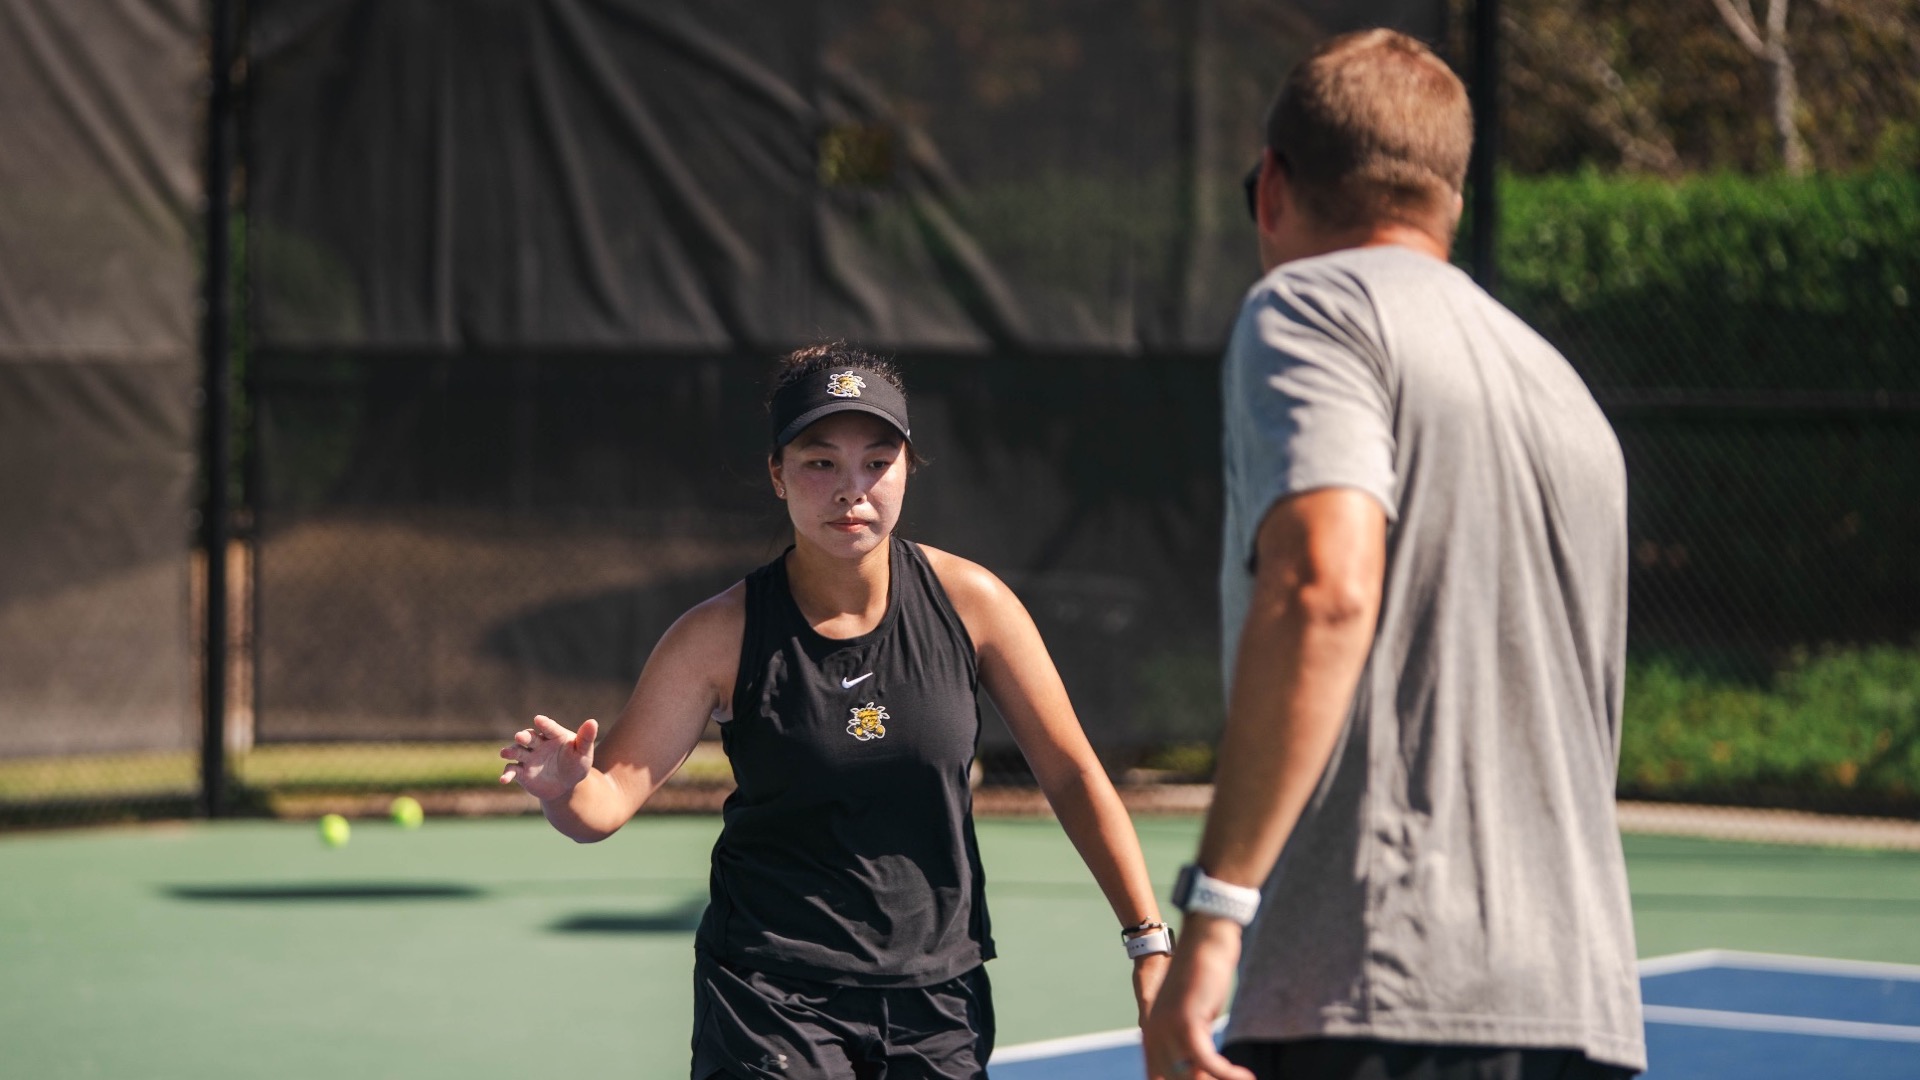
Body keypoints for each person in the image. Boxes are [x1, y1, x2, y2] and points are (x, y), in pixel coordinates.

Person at [1143, 29, 1646, 1080]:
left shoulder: (1311, 308)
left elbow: (1324, 587)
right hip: (1580, 1011)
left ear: (1273, 185)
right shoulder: (1562, 387)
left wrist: (1217, 912)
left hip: (1372, 991)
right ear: (1449, 199)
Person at [499, 343, 1171, 1079]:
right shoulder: (717, 636)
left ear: (908, 469)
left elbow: (1072, 774)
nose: (852, 489)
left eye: (877, 462)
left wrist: (1148, 942)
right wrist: (564, 788)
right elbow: (604, 803)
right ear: (777, 475)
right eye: (821, 462)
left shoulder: (975, 605)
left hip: (938, 996)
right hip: (769, 996)